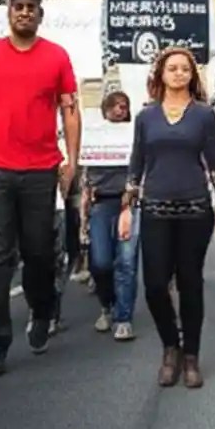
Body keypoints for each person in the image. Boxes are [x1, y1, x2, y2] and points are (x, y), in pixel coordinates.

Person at [0, 0, 81, 377]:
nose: (24, 13)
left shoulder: (57, 57)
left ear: (40, 15)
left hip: (41, 171)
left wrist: (72, 162)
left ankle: (42, 309)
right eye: (18, 7)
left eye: (31, 8)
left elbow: (70, 112)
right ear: (9, 13)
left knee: (39, 254)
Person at [129, 47, 215, 389]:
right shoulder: (146, 117)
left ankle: (191, 356)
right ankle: (170, 345)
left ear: (192, 75)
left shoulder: (204, 115)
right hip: (155, 208)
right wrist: (127, 207)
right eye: (171, 68)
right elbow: (136, 163)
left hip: (194, 209)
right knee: (155, 285)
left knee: (190, 283)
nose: (178, 73)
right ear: (161, 73)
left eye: (184, 69)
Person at [82, 90, 140, 342]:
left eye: (124, 106)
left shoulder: (134, 137)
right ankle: (107, 305)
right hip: (101, 204)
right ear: (105, 110)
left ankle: (123, 318)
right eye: (115, 106)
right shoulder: (93, 136)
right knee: (101, 262)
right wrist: (84, 209)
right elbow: (85, 175)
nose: (119, 110)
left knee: (126, 261)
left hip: (129, 203)